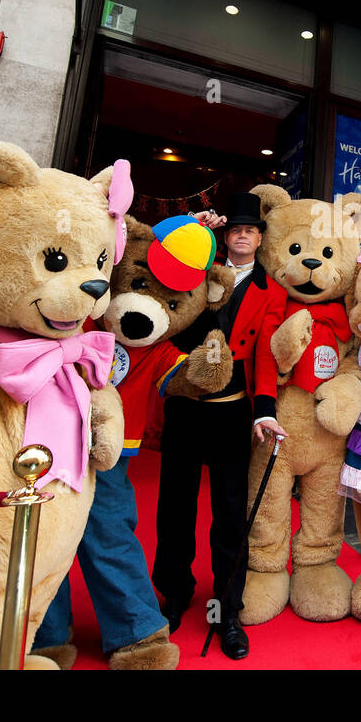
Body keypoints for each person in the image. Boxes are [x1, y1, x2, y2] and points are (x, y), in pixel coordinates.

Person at [151, 193, 286, 659]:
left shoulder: (273, 292)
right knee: (174, 505)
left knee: (230, 513)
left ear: (260, 238)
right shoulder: (196, 270)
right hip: (187, 405)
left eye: (251, 230)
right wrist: (191, 224)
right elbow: (159, 262)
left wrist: (265, 408)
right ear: (225, 236)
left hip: (232, 411)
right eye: (236, 229)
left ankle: (228, 609)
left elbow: (266, 352)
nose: (243, 235)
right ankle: (173, 593)